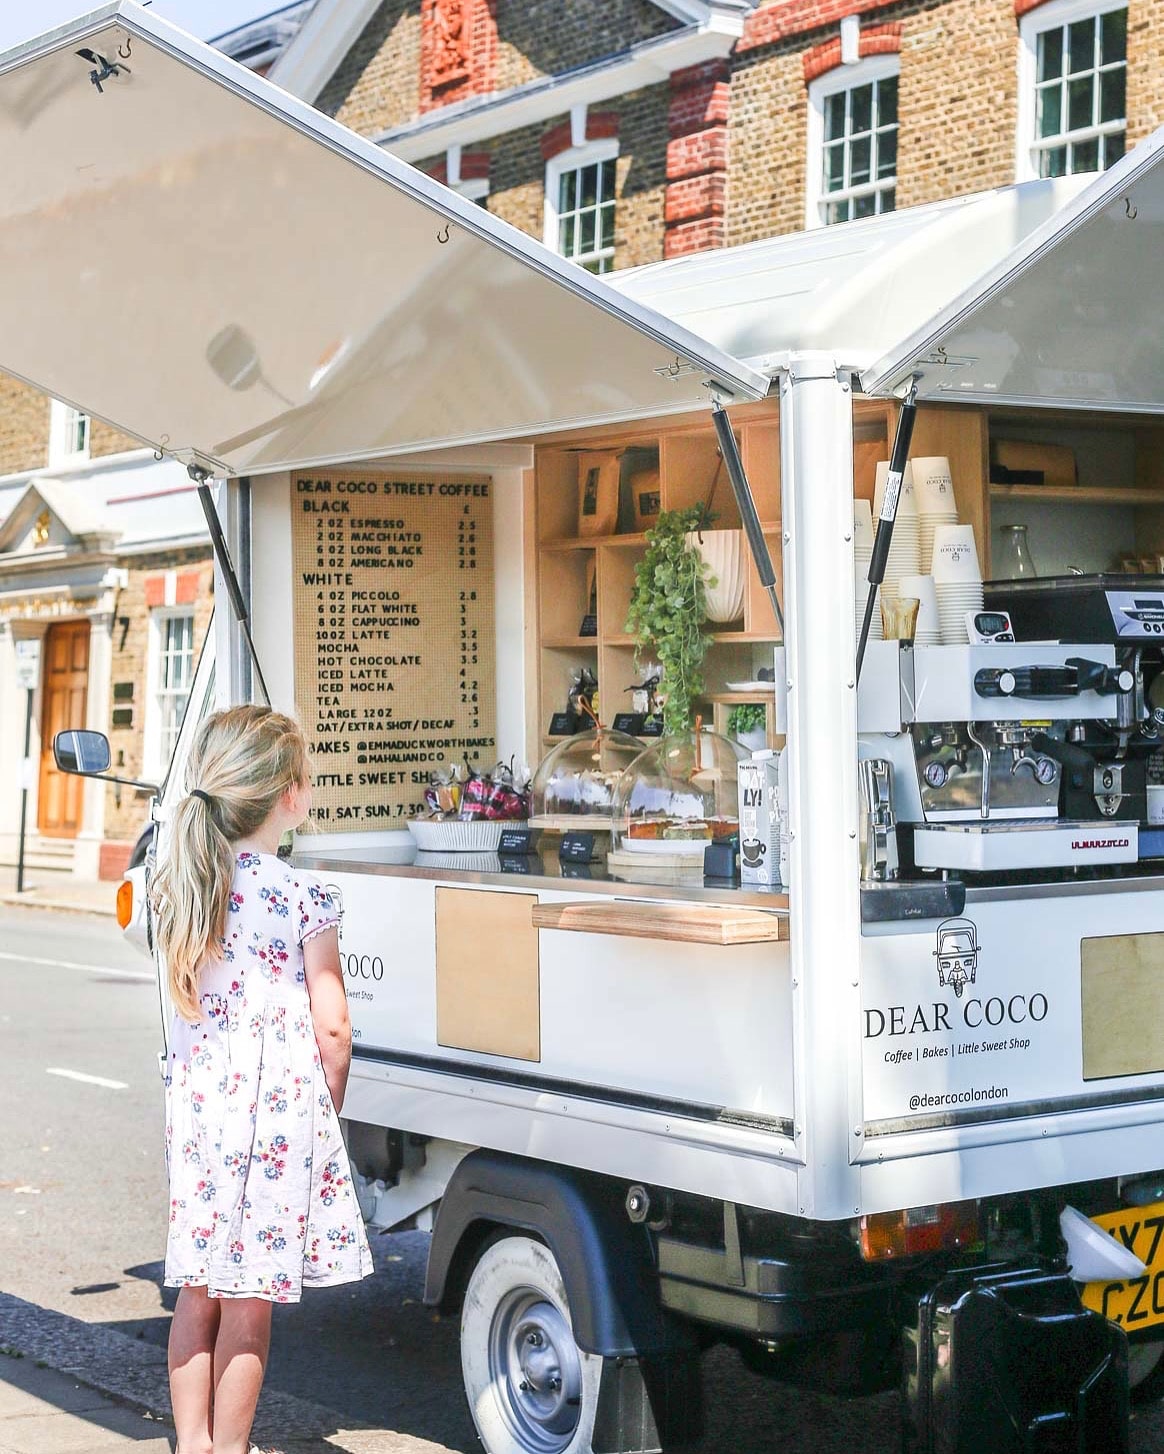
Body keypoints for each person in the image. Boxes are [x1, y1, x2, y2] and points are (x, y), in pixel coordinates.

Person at [151, 706, 373, 1454]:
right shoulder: (302, 896)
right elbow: (332, 1026)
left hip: (202, 1115)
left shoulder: (186, 887)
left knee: (196, 1289)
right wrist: (327, 1108)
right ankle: (233, 1448)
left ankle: (193, 1445)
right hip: (276, 1121)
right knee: (250, 1303)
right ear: (292, 794)